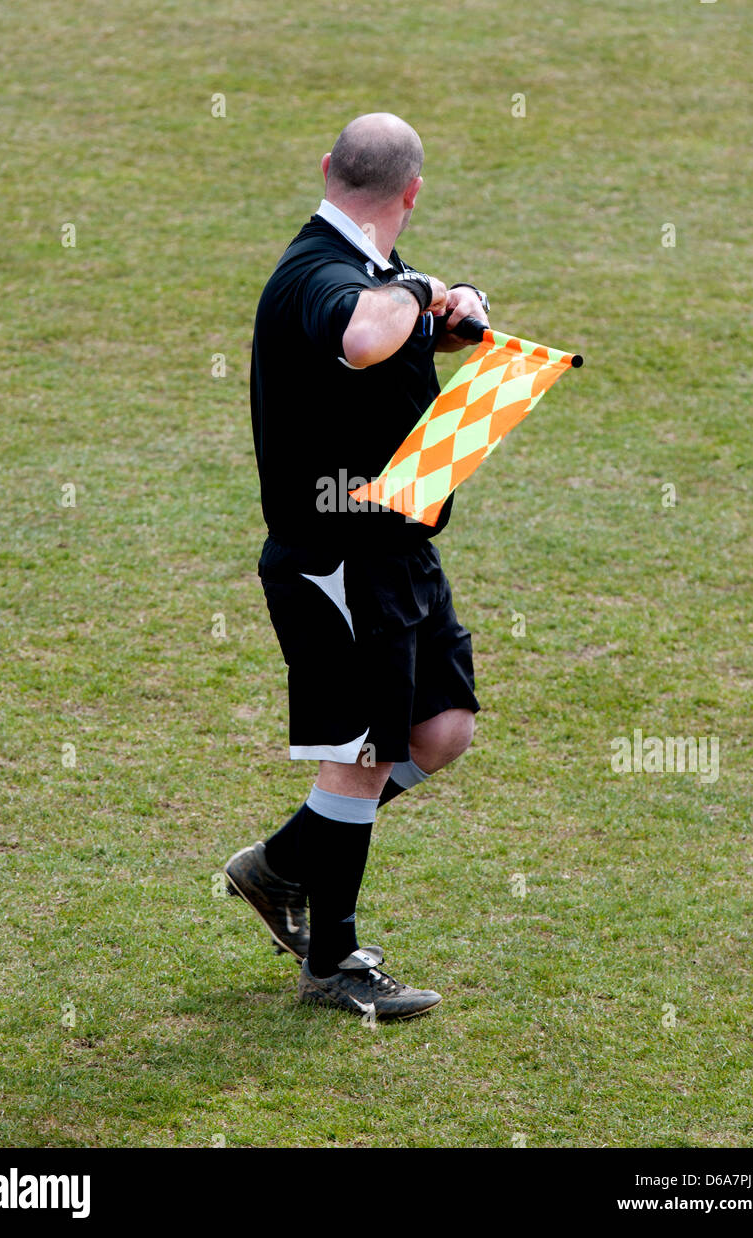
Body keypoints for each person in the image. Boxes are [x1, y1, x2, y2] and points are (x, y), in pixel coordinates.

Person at [225, 112, 488, 1021]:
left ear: (327, 165)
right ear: (411, 194)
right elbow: (363, 341)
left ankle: (282, 864)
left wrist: (441, 322)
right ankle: (331, 963)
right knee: (361, 759)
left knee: (441, 733)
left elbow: (384, 350)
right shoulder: (317, 273)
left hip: (399, 548)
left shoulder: (374, 279)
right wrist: (421, 288)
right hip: (333, 561)